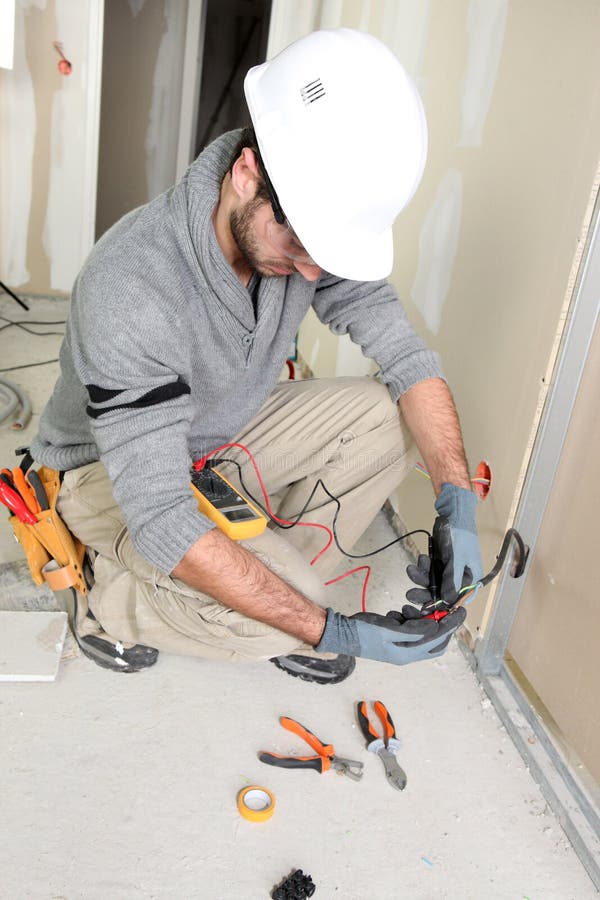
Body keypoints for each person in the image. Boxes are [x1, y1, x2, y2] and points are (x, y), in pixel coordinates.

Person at [30, 28, 482, 681]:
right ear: (246, 175)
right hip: (106, 470)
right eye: (300, 244)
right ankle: (107, 595)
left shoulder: (299, 225)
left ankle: (267, 589)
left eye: (324, 251)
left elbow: (407, 360)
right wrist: (326, 627)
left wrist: (457, 501)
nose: (312, 270)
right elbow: (160, 514)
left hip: (212, 436)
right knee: (281, 617)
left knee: (385, 418)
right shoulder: (130, 288)